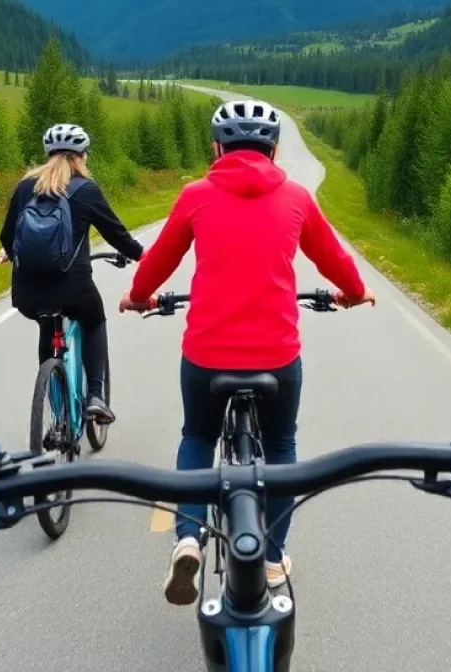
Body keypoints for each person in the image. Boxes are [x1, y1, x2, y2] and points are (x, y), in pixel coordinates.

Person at [119, 98, 375, 605]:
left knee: (197, 434)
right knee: (280, 446)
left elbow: (160, 260)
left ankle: (188, 539)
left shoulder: (195, 195)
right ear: (274, 150)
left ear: (217, 148)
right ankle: (274, 557)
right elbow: (333, 258)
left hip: (207, 355)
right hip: (276, 358)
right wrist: (354, 290)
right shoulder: (297, 198)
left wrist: (138, 295)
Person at [0, 123, 144, 423]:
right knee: (94, 321)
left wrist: (11, 253)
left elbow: (7, 236)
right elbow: (116, 234)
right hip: (74, 288)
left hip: (28, 292)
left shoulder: (26, 187)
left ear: (48, 155)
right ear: (82, 156)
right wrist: (142, 255)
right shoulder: (85, 189)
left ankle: (55, 404)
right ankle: (95, 396)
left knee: (46, 324)